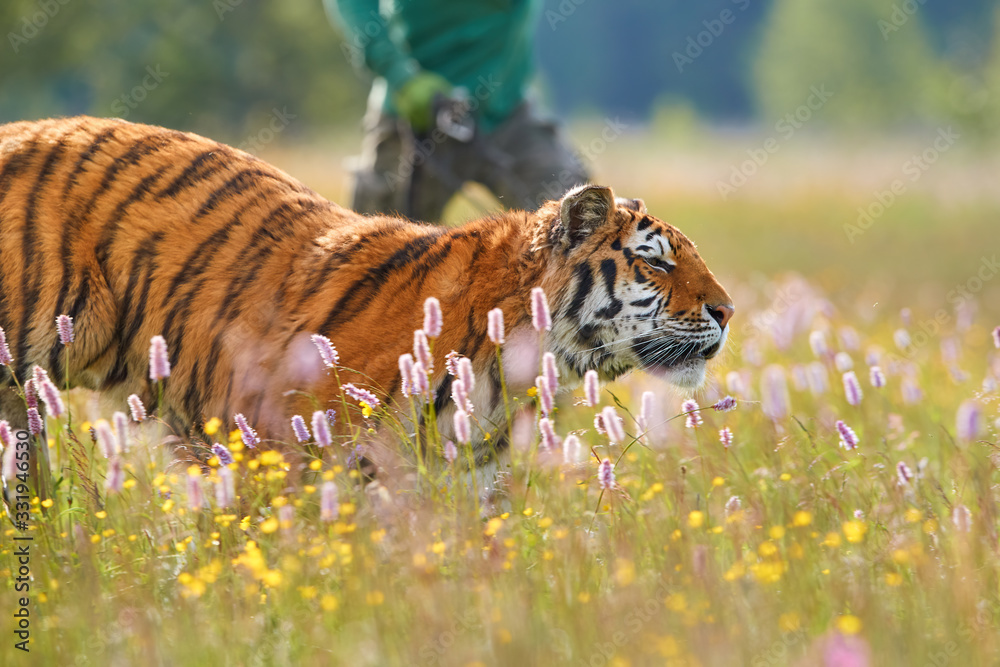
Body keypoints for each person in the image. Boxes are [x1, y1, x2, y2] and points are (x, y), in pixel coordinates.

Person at [325, 0, 589, 222]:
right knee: (375, 256)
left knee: (579, 220)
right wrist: (400, 76)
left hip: (507, 111)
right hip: (416, 113)